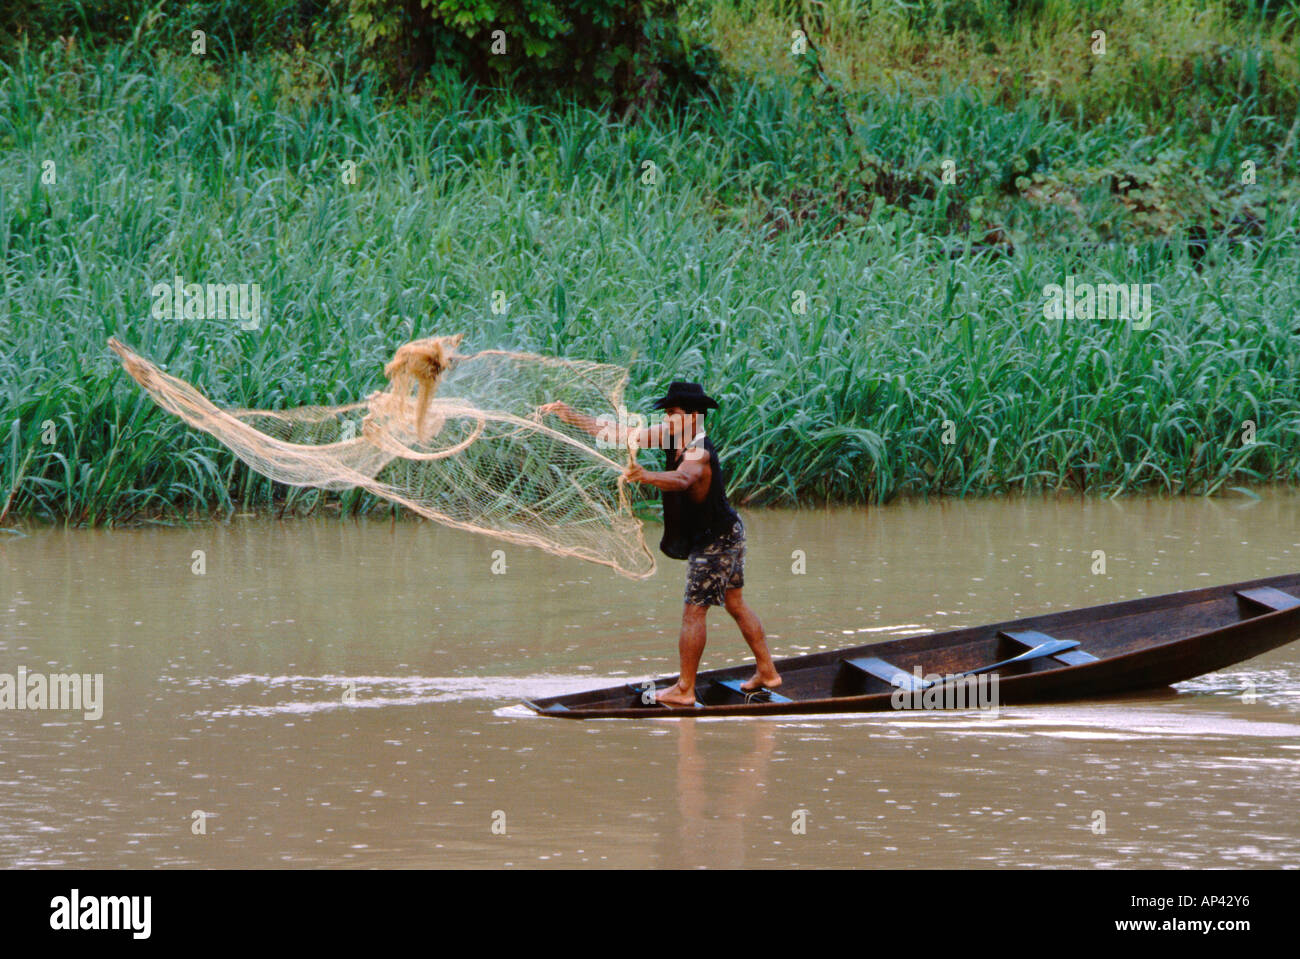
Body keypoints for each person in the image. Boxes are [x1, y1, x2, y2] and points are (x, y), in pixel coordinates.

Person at [541, 382, 781, 706]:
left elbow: (682, 479)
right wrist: (570, 416)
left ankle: (685, 689)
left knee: (694, 613)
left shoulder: (699, 450)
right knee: (735, 603)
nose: (668, 419)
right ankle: (767, 672)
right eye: (666, 414)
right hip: (728, 530)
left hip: (717, 540)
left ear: (694, 416)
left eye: (674, 413)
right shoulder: (671, 436)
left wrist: (646, 475)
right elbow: (620, 433)